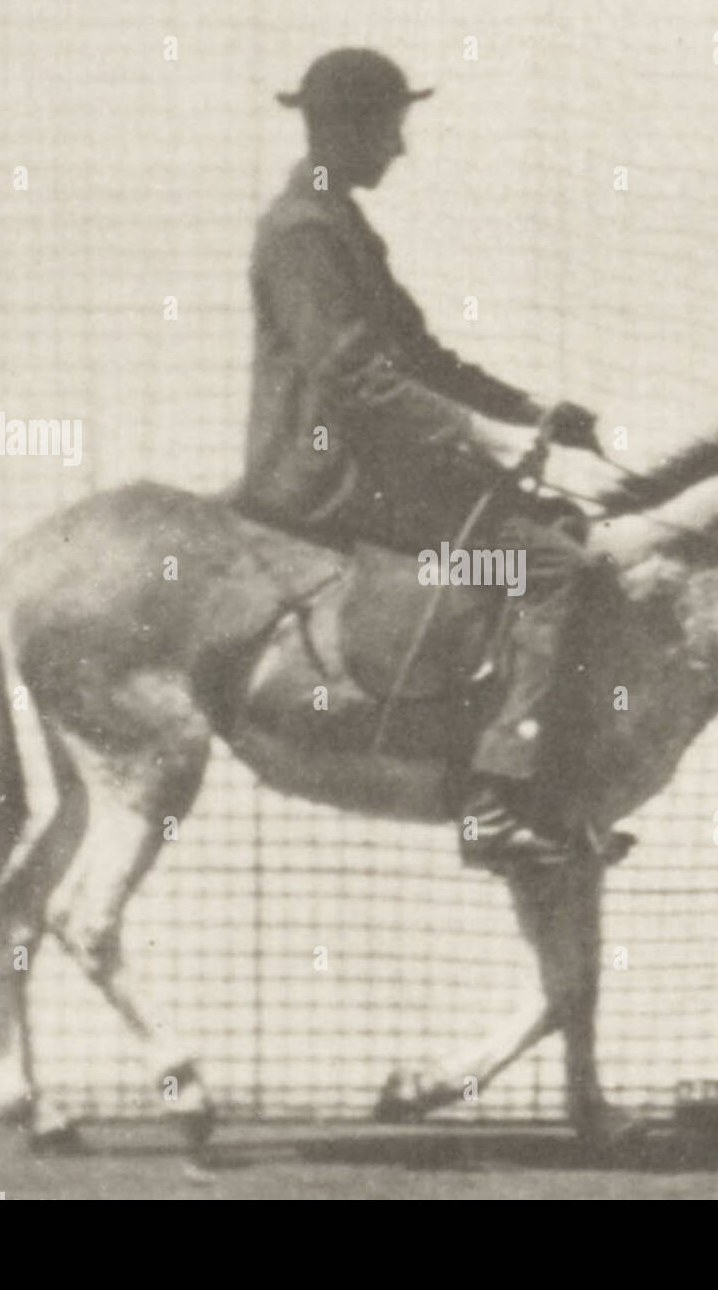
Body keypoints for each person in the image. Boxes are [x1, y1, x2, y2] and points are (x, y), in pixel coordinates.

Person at [235, 48, 610, 872]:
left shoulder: (340, 223)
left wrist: (529, 411)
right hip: (325, 478)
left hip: (380, 462)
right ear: (344, 129)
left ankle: (531, 776)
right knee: (552, 568)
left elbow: (421, 354)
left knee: (556, 527)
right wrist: (479, 440)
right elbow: (352, 374)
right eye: (390, 130)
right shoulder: (301, 233)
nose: (399, 150)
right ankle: (495, 801)